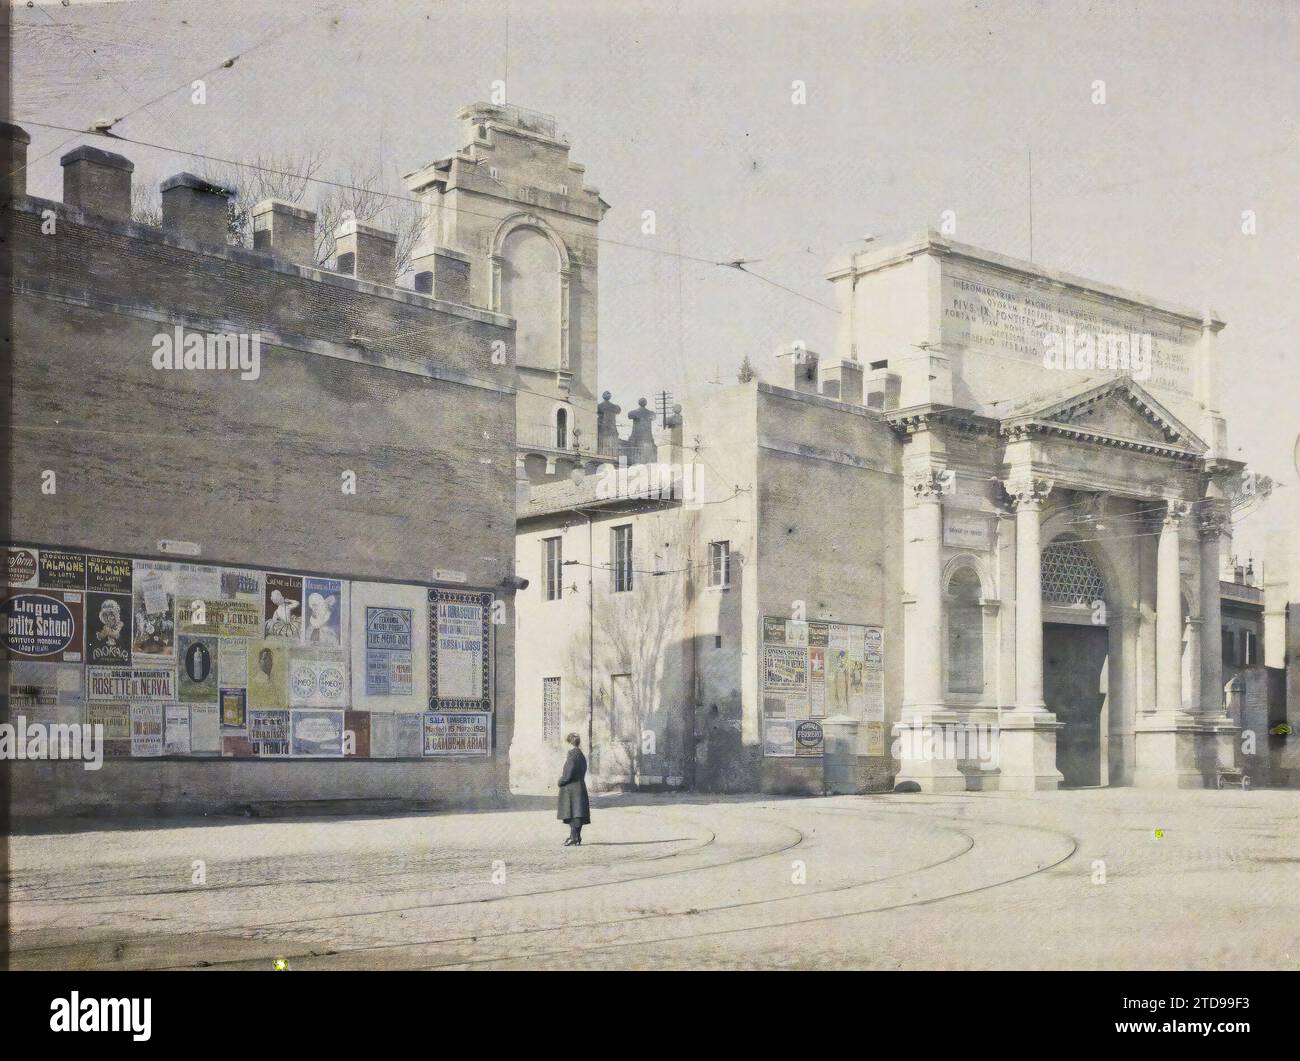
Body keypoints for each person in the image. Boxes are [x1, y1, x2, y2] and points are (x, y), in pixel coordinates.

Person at [557, 733, 590, 846]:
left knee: (573, 814)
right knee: (577, 814)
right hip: (580, 787)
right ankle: (575, 837)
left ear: (569, 743)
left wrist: (561, 781)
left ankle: (574, 838)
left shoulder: (572, 755)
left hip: (572, 790)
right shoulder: (581, 755)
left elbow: (568, 774)